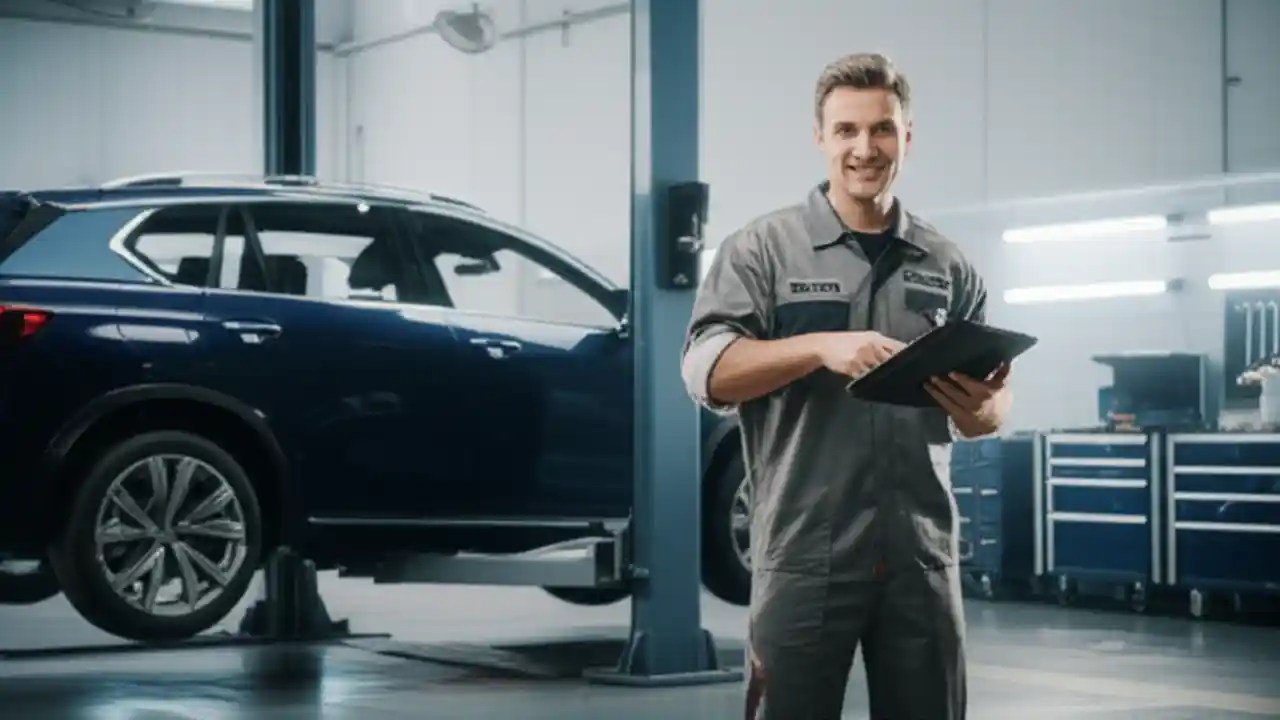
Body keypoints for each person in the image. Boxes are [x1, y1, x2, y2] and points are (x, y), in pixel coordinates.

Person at [680, 52, 1013, 720]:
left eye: (883, 129)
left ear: (907, 137)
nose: (866, 148)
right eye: (847, 131)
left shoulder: (947, 264)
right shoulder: (763, 251)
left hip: (921, 557)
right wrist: (820, 347)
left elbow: (994, 404)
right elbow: (706, 371)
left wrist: (986, 412)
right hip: (804, 554)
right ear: (821, 137)